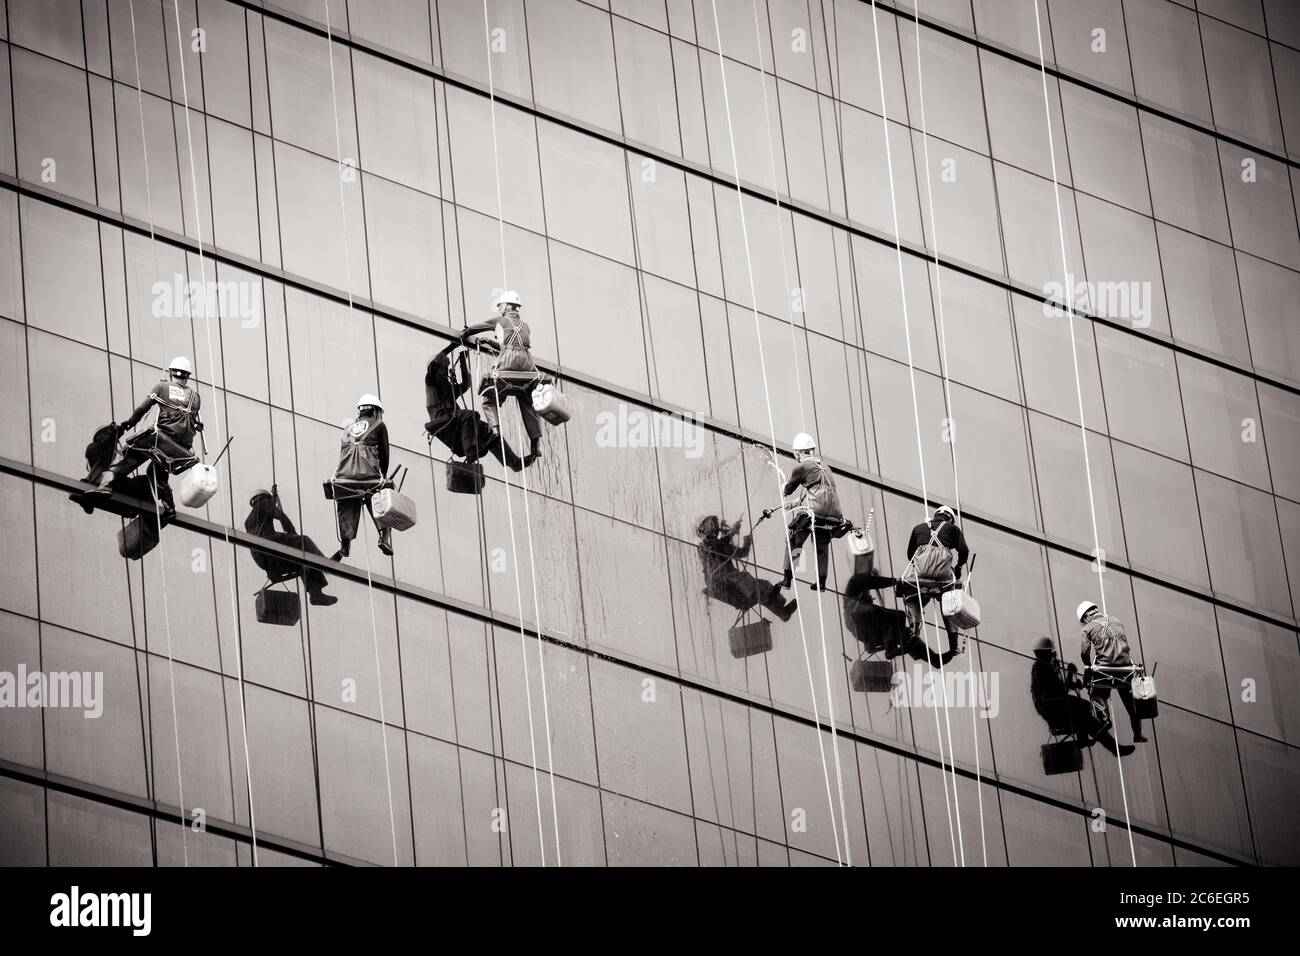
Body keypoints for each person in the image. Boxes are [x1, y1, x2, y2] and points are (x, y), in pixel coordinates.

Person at [90, 356, 203, 517]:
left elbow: (142, 409)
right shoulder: (195, 397)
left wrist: (127, 424)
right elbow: (191, 418)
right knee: (156, 472)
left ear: (171, 372)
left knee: (129, 455)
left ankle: (105, 485)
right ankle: (169, 508)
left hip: (162, 438)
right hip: (181, 448)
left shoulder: (162, 387)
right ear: (187, 375)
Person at [460, 290, 543, 466]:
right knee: (527, 401)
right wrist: (491, 343)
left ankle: (495, 432)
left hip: (509, 363)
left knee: (490, 399)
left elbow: (478, 327)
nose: (500, 309)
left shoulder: (500, 321)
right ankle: (535, 445)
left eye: (501, 306)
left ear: (506, 306)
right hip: (527, 365)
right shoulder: (526, 326)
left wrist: (465, 334)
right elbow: (514, 345)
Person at [424, 342, 525, 471]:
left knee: (489, 430)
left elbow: (465, 385)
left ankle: (513, 462)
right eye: (443, 368)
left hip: (454, 420)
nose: (445, 372)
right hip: (442, 419)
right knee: (470, 415)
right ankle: (471, 452)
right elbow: (435, 363)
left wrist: (463, 361)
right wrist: (453, 345)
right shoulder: (431, 382)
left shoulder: (447, 388)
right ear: (436, 370)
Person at [1030, 636, 1132, 757]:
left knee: (1087, 720)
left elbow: (1057, 690)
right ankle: (1109, 746)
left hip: (1051, 708)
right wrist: (1070, 674)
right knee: (1085, 711)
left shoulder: (1043, 667)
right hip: (1052, 709)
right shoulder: (1041, 668)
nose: (1052, 654)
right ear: (1044, 652)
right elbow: (1057, 692)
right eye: (1049, 652)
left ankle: (1110, 747)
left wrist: (1071, 681)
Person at [898, 504, 969, 662]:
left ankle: (913, 630)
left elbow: (910, 554)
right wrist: (958, 568)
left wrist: (924, 565)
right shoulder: (953, 529)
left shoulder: (918, 528)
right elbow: (964, 551)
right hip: (942, 576)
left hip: (920, 573)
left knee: (911, 595)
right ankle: (953, 643)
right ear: (950, 519)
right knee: (950, 601)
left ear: (936, 515)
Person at [245, 487, 337, 606]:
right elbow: (281, 517)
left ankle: (316, 595)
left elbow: (267, 516)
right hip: (271, 549)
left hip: (265, 561)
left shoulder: (249, 521)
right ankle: (325, 566)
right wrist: (293, 534)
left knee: (303, 562)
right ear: (264, 499)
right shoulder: (264, 504)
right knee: (305, 541)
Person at [697, 515, 797, 622]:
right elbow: (714, 548)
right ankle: (772, 603)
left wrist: (747, 542)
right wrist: (731, 533)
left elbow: (742, 552)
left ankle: (782, 610)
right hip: (722, 584)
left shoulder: (722, 545)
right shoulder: (704, 547)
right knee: (750, 582)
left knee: (765, 584)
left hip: (735, 589)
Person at [330, 394, 392, 560]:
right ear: (375, 410)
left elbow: (343, 453)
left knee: (347, 500)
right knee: (381, 498)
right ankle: (384, 537)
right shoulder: (379, 424)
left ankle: (345, 544)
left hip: (346, 475)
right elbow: (384, 453)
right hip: (369, 473)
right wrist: (383, 475)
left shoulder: (347, 429)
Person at [778, 432, 842, 592]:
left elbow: (788, 489)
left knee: (794, 537)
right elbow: (817, 489)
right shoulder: (825, 467)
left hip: (815, 511)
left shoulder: (802, 466)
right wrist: (796, 504)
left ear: (798, 452)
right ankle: (821, 583)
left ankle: (787, 578)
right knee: (821, 545)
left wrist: (784, 487)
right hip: (832, 514)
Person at [1077, 601, 1147, 744]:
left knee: (1096, 693)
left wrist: (1088, 666)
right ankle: (1138, 734)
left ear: (1085, 617)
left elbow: (1084, 652)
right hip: (1125, 670)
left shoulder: (1087, 628)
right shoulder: (1117, 621)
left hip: (1104, 670)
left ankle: (1104, 720)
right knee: (1132, 705)